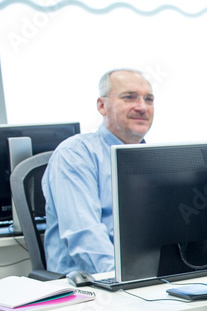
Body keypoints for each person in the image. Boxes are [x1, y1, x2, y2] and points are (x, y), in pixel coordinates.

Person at [41, 68, 155, 275]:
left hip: (142, 280)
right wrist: (126, 280)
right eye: (129, 97)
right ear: (102, 106)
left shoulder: (153, 159)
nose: (142, 107)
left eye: (149, 99)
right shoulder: (75, 154)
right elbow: (84, 235)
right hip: (88, 286)